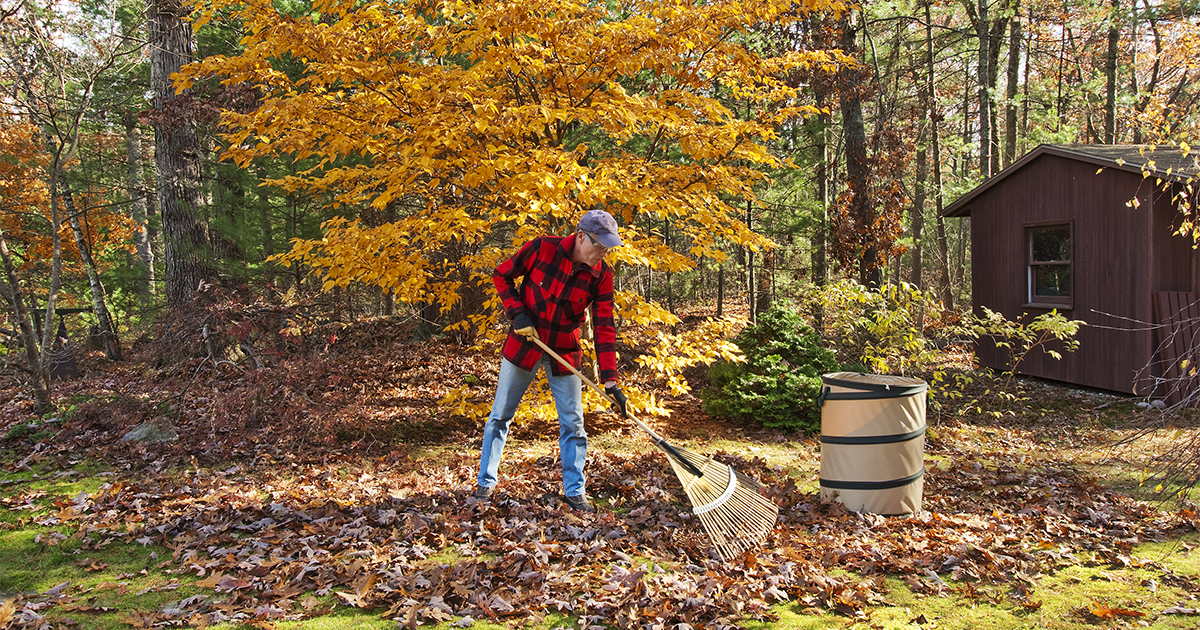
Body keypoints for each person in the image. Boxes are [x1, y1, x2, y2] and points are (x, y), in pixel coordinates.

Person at [475, 209, 629, 512]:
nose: (603, 253)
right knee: (500, 416)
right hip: (524, 344)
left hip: (564, 351)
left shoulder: (602, 276)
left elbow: (604, 326)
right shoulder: (542, 249)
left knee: (573, 422)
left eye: (608, 247)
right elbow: (501, 274)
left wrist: (611, 381)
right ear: (581, 236)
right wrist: (517, 313)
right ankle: (485, 483)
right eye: (599, 245)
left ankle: (574, 491)